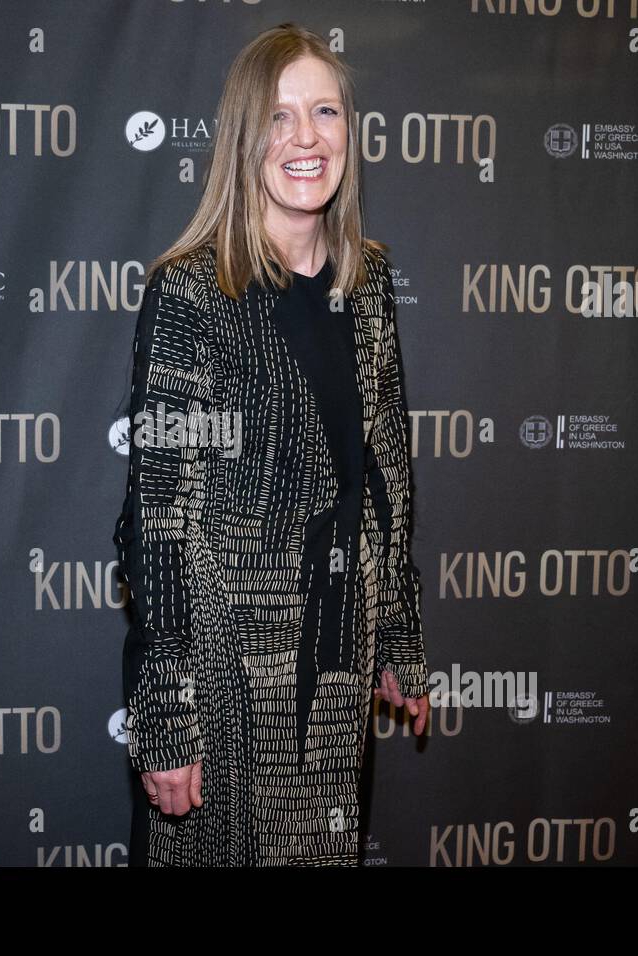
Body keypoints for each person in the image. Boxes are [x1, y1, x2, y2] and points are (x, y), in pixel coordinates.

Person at [113, 23, 430, 866]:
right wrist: (170, 713)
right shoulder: (192, 292)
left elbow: (386, 467)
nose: (306, 137)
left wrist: (397, 635)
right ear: (246, 139)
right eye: (281, 116)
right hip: (224, 682)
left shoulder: (369, 282)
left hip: (337, 662)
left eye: (325, 110)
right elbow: (158, 521)